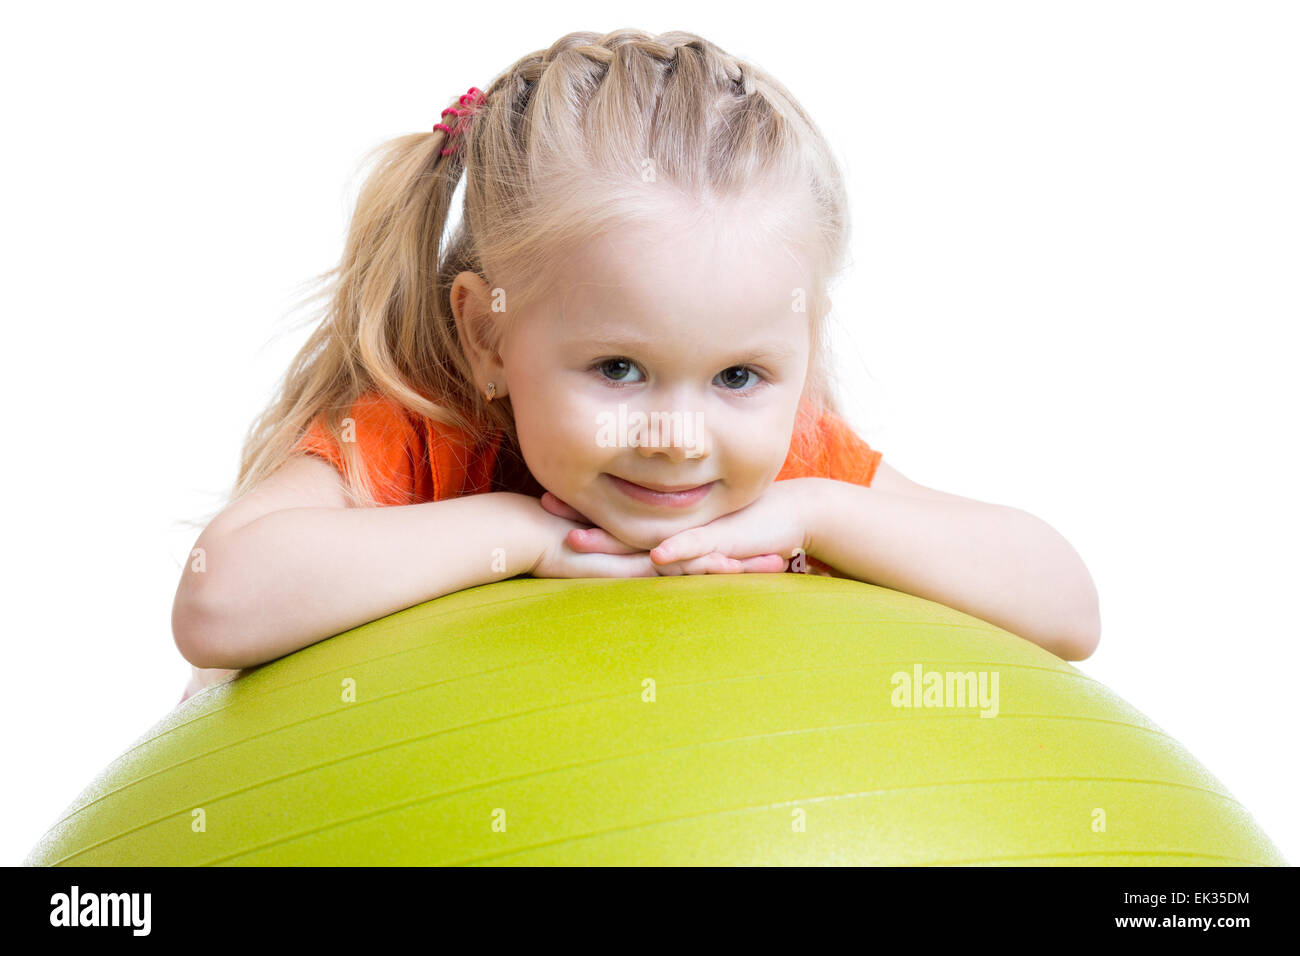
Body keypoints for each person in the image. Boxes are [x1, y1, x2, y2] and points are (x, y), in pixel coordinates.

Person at [172, 29, 1100, 705]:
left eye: (740, 376)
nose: (678, 437)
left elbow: (1066, 606)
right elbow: (219, 600)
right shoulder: (421, 435)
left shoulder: (789, 476)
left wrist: (818, 513)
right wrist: (517, 534)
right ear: (488, 340)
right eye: (618, 368)